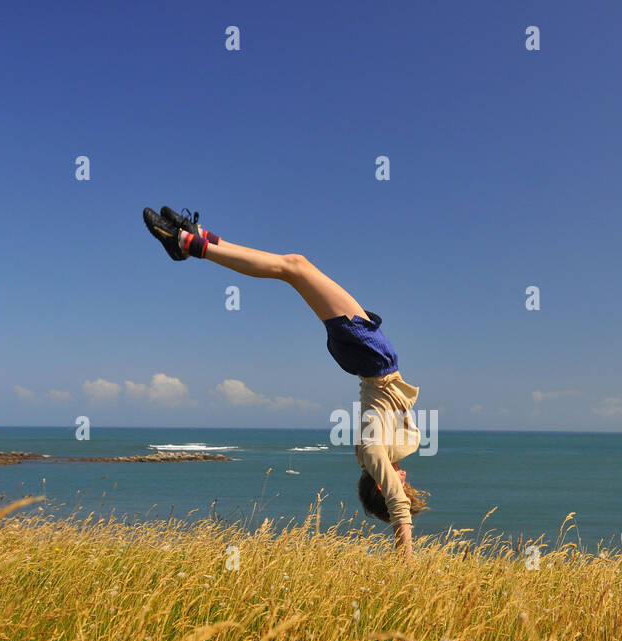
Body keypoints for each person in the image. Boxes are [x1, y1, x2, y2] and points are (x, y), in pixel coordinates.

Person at [143, 205, 428, 555]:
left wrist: (407, 562)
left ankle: (187, 243)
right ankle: (200, 238)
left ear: (383, 488)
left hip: (370, 356)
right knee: (294, 264)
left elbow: (399, 508)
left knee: (291, 268)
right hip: (370, 356)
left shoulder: (373, 454)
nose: (404, 481)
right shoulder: (381, 451)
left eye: (398, 485)